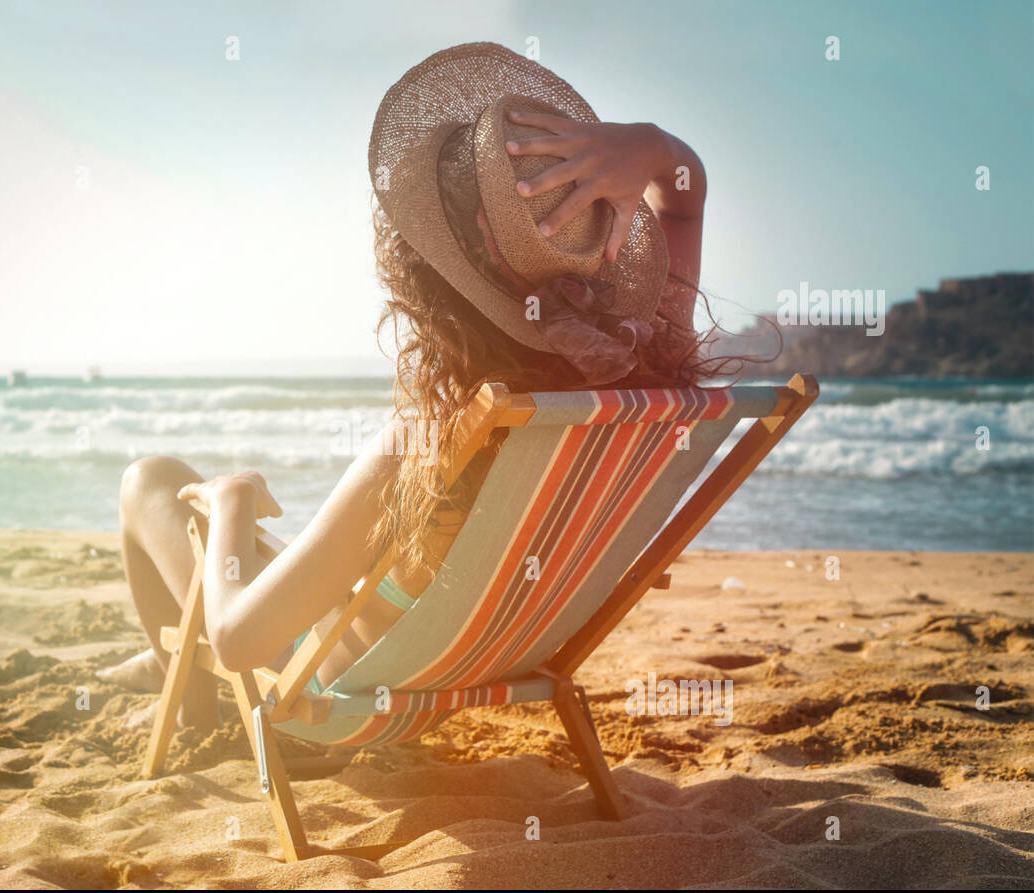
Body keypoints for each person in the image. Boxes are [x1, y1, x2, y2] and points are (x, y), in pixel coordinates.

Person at [100, 43, 727, 729]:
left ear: (438, 266)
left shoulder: (440, 436)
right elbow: (685, 202)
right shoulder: (641, 368)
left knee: (150, 480)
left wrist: (233, 499)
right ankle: (167, 666)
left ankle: (189, 698)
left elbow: (238, 638)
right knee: (313, 567)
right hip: (474, 670)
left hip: (328, 697)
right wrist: (656, 147)